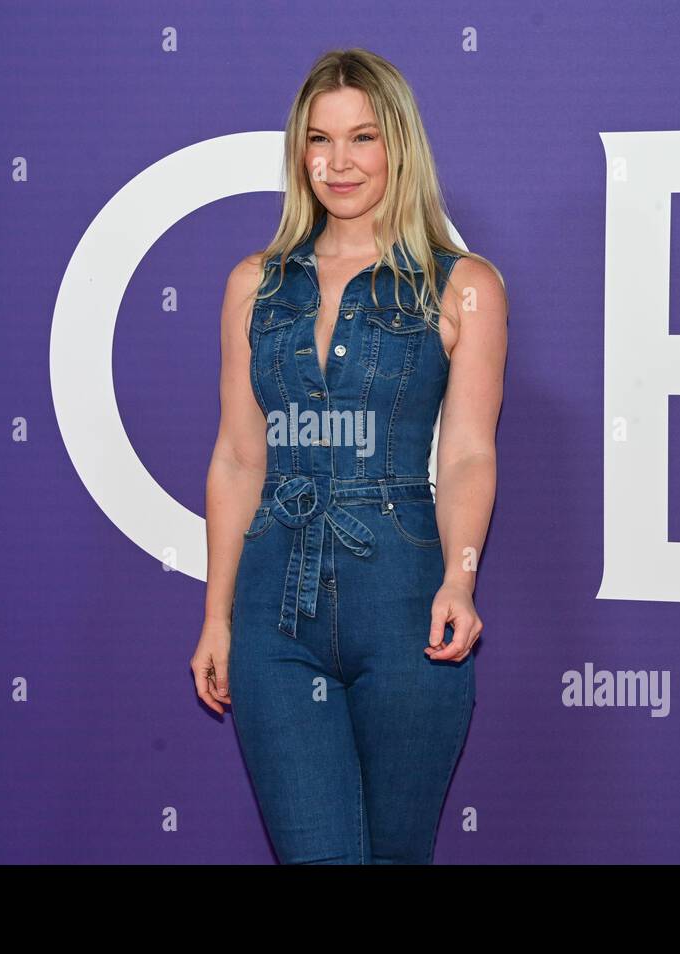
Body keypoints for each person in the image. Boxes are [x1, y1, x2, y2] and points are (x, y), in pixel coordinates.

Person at [191, 48, 507, 864]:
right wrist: (216, 617)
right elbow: (235, 457)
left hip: (405, 606)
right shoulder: (252, 285)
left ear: (397, 147)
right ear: (298, 152)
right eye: (319, 140)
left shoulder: (462, 285)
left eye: (362, 138)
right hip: (273, 612)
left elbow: (469, 454)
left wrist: (460, 580)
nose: (338, 163)